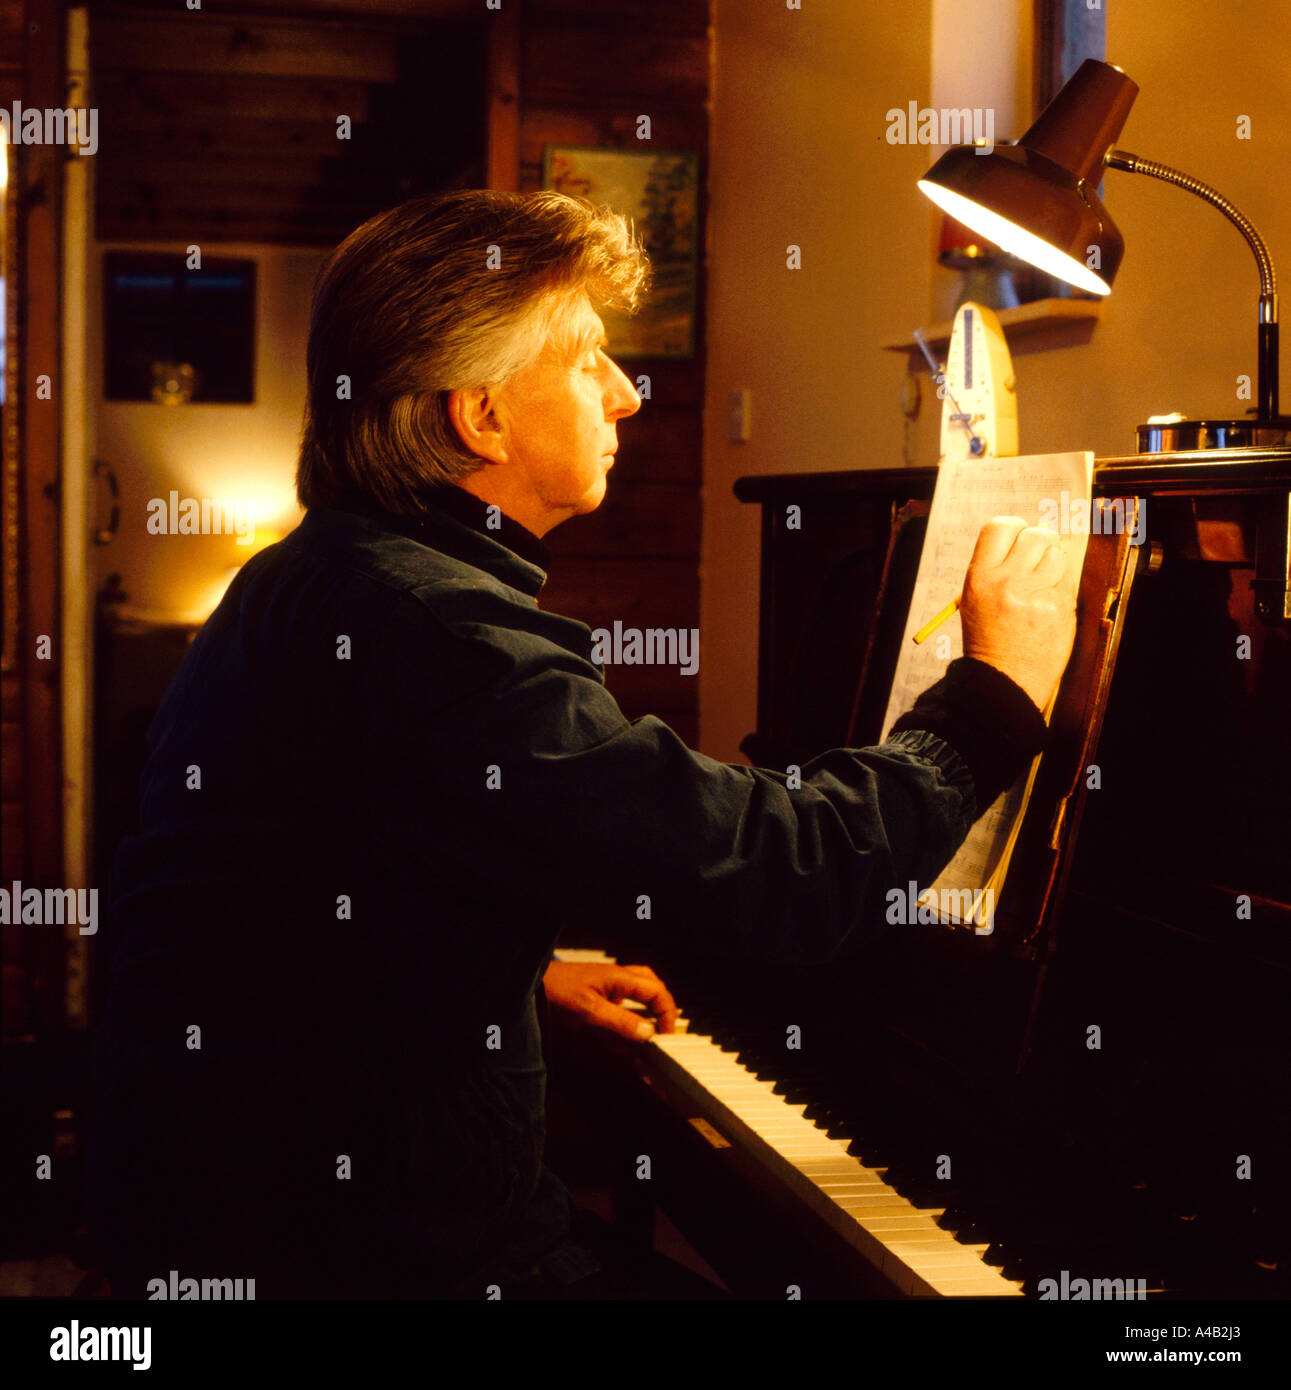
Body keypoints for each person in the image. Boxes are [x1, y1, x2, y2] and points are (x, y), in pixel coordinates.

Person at [86, 189, 1076, 1300]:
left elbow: (295, 906)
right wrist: (996, 691)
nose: (623, 394)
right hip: (350, 1254)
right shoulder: (442, 634)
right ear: (482, 418)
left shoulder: (319, 572)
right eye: (591, 358)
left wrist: (515, 980)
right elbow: (784, 876)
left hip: (244, 1211)